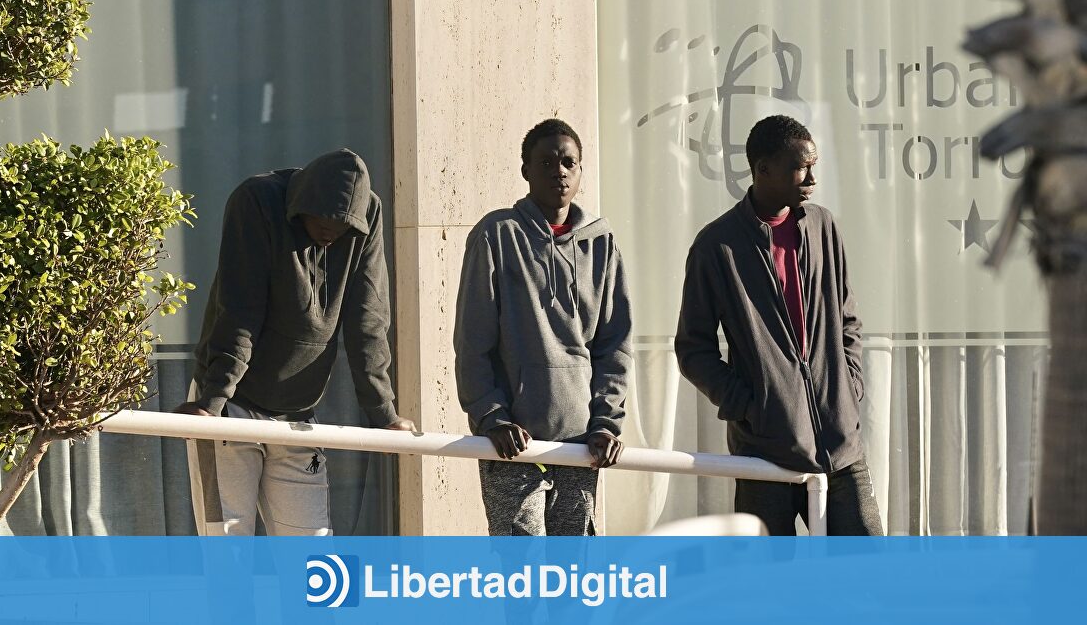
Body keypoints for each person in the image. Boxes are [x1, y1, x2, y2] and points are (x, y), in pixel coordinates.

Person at [175, 148, 415, 536]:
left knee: (315, 550)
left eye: (344, 229)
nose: (332, 233)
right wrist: (211, 402)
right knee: (227, 546)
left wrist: (383, 414)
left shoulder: (369, 214)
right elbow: (239, 306)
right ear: (303, 203)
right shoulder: (256, 200)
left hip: (299, 413)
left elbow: (368, 317)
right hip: (228, 406)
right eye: (325, 221)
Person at [676, 115, 883, 535]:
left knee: (868, 572)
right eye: (801, 166)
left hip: (839, 447)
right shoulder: (717, 246)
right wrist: (751, 408)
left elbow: (848, 320)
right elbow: (693, 350)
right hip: (763, 455)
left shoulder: (823, 226)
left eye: (813, 164)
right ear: (762, 169)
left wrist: (849, 387)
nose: (812, 177)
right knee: (767, 587)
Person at [454, 118, 632, 536]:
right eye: (547, 161)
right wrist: (491, 417)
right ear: (525, 170)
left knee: (573, 581)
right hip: (512, 445)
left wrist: (606, 423)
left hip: (581, 444)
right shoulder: (496, 236)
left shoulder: (601, 243)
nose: (560, 170)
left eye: (569, 162)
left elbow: (615, 346)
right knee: (524, 580)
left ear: (582, 170)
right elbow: (473, 342)